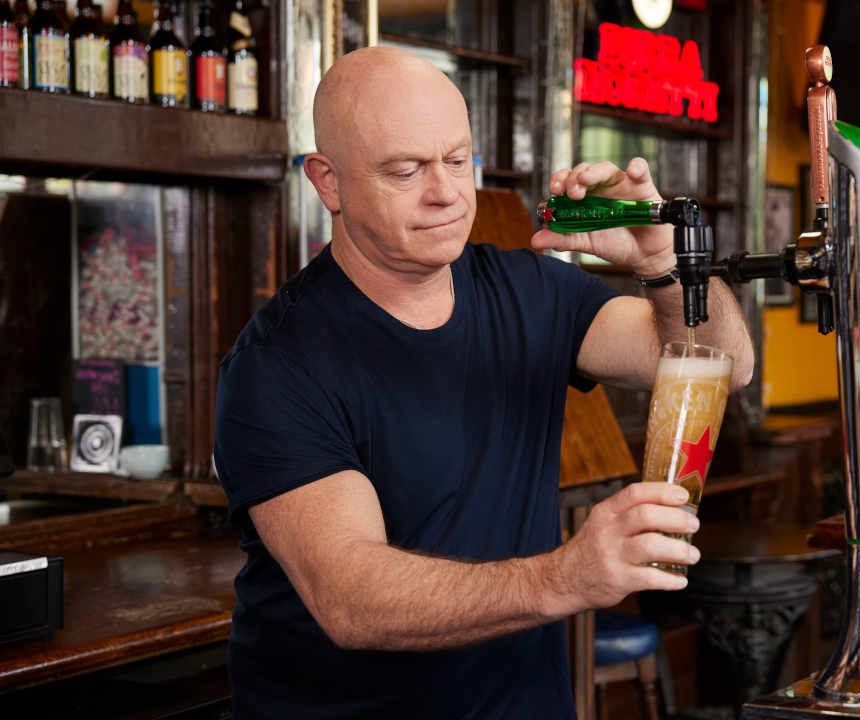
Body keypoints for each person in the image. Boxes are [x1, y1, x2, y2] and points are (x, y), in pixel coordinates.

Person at [213, 46, 753, 719]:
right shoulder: (279, 362)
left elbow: (722, 365)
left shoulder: (530, 290)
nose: (444, 191)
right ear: (328, 182)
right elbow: (350, 597)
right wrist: (567, 575)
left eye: (457, 159)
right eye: (405, 170)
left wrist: (665, 264)